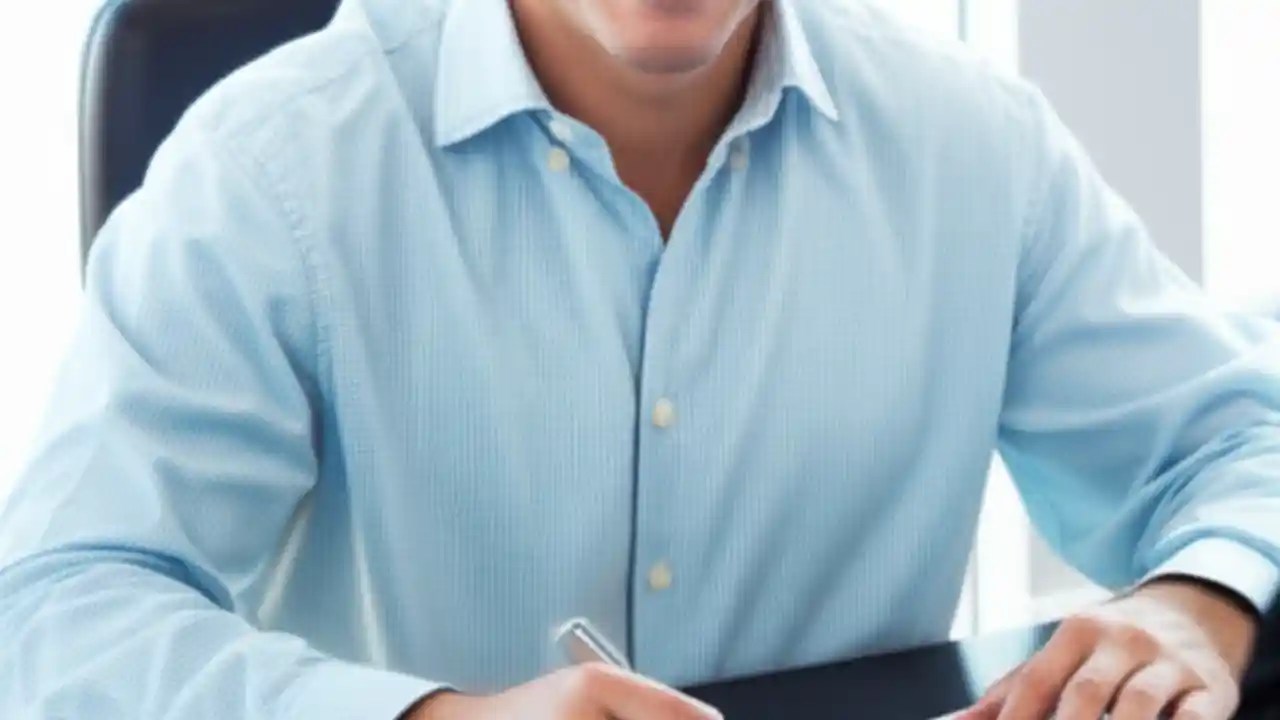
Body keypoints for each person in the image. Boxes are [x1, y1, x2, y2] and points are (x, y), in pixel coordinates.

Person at [1, 0, 1278, 717]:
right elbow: (58, 608)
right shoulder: (271, 165)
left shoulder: (974, 147)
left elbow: (1238, 446)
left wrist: (1195, 599)